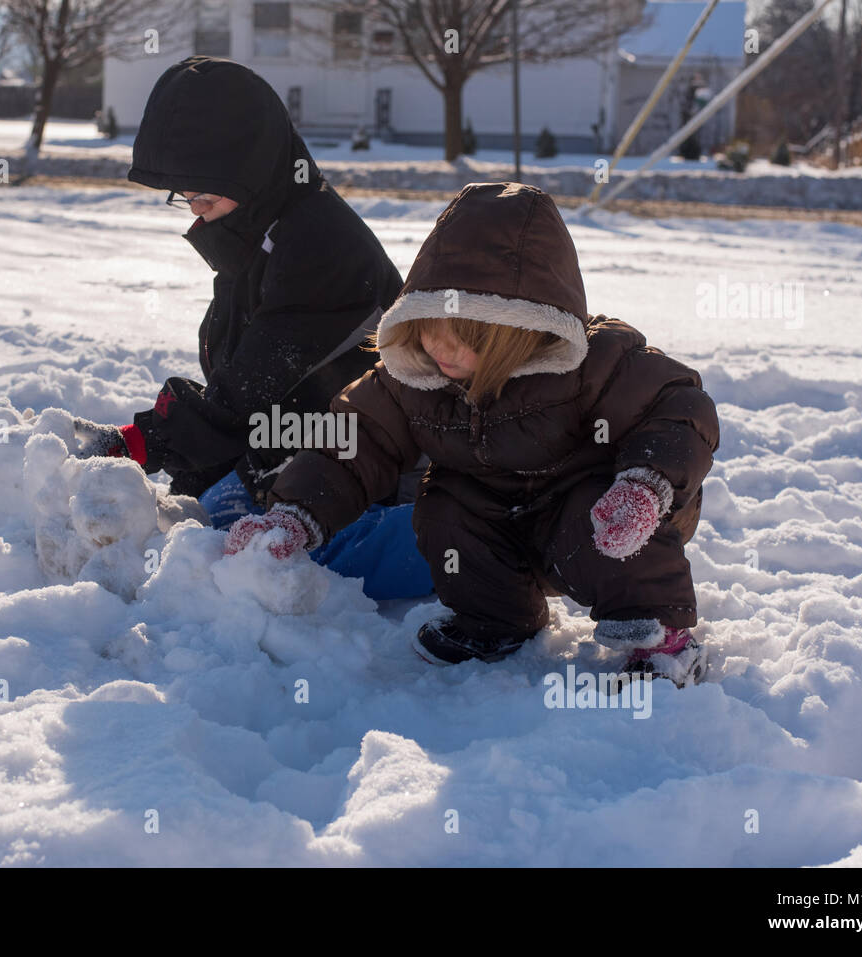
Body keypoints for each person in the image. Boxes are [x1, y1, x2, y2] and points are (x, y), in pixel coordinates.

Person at [225, 182, 721, 686]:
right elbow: (353, 442)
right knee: (443, 504)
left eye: (465, 338)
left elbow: (679, 408)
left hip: (607, 517)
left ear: (517, 329)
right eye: (426, 326)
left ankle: (665, 638)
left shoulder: (595, 363)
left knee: (589, 517)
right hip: (497, 522)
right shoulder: (415, 377)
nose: (440, 349)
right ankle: (498, 619)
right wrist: (294, 513)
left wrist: (645, 485)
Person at [70, 56, 433, 600]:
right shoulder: (260, 231)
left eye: (201, 189)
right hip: (300, 452)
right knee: (199, 531)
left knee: (232, 553)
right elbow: (245, 386)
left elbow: (252, 389)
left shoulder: (318, 246)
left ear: (248, 165)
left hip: (370, 473)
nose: (192, 205)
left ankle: (460, 550)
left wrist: (145, 440)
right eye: (182, 193)